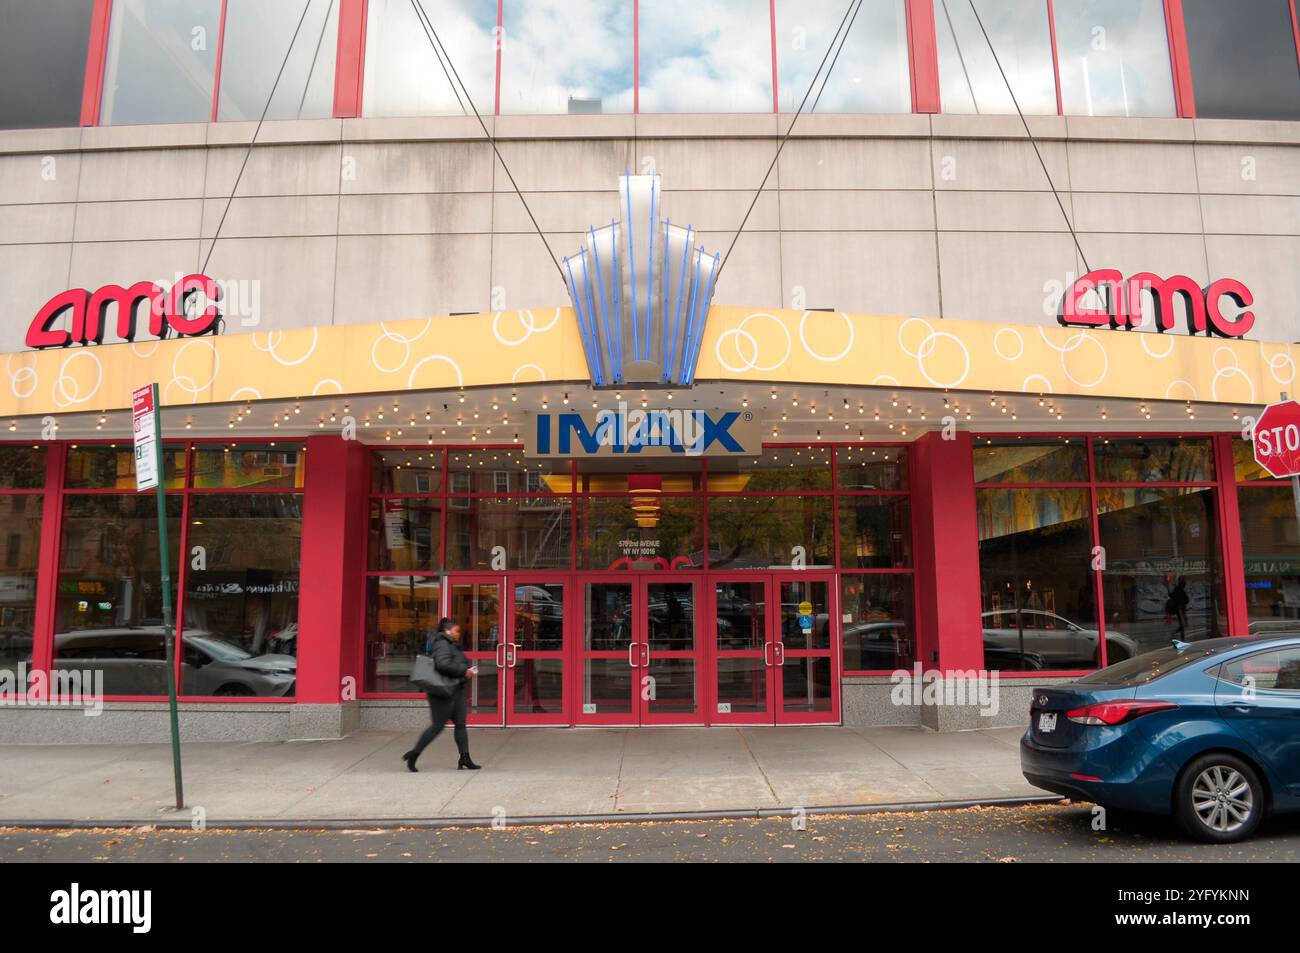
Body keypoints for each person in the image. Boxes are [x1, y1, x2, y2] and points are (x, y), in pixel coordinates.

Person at [402, 617, 481, 772]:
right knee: (437, 727)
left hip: (455, 690)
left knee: (460, 725)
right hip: (442, 693)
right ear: (447, 630)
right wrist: (463, 671)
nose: (459, 634)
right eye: (457, 631)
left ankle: (464, 758)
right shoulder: (442, 644)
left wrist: (465, 671)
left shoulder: (451, 644)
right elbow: (442, 664)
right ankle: (414, 754)